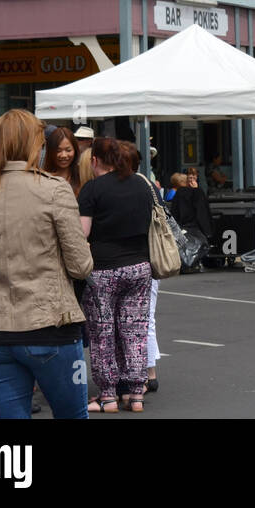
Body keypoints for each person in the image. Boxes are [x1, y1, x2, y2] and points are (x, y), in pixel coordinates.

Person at [0, 110, 92, 419]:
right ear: (35, 145)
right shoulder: (54, 189)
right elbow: (80, 266)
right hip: (50, 323)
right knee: (72, 414)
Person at [79, 137, 153, 412]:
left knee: (102, 332)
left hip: (103, 269)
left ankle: (108, 395)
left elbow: (82, 232)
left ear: (95, 160)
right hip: (139, 267)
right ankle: (135, 394)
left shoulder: (92, 189)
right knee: (134, 331)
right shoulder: (141, 184)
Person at [45, 125, 82, 195]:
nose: (63, 155)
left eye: (68, 150)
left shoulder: (82, 175)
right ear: (50, 151)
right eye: (58, 150)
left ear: (75, 150)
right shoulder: (43, 178)